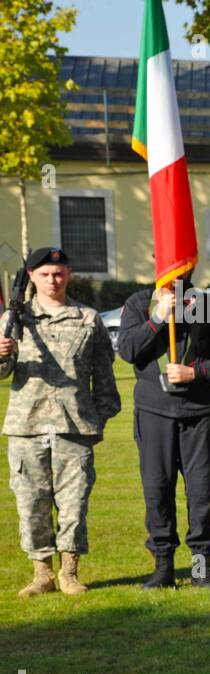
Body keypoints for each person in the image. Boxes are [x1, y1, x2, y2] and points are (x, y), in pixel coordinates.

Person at [0, 247, 120, 596]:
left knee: (74, 504)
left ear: (68, 274)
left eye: (59, 273)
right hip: (27, 425)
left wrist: (97, 419)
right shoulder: (14, 319)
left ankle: (69, 572)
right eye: (45, 274)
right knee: (31, 502)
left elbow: (105, 380)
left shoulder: (88, 319)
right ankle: (42, 574)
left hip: (74, 427)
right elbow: (3, 373)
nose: (53, 280)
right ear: (32, 278)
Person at [116, 275, 210, 589]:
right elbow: (128, 350)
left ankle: (200, 565)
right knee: (157, 489)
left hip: (200, 414)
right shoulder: (140, 303)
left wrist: (194, 372)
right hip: (155, 414)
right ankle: (163, 567)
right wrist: (158, 317)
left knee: (201, 493)